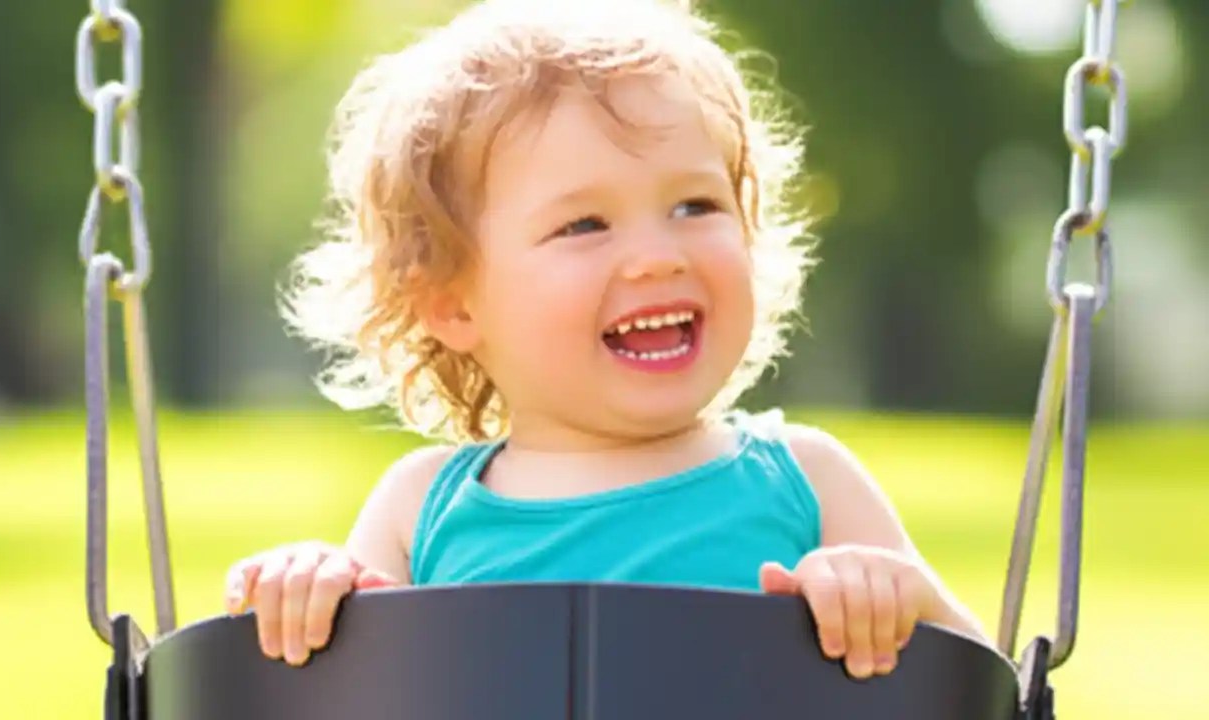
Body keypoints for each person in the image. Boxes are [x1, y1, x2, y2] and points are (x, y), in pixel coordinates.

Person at [223, 0, 988, 681]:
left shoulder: (808, 484)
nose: (660, 254)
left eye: (695, 204)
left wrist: (902, 603)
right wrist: (309, 588)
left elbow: (980, 691)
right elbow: (338, 690)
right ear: (452, 305)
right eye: (584, 224)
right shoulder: (418, 511)